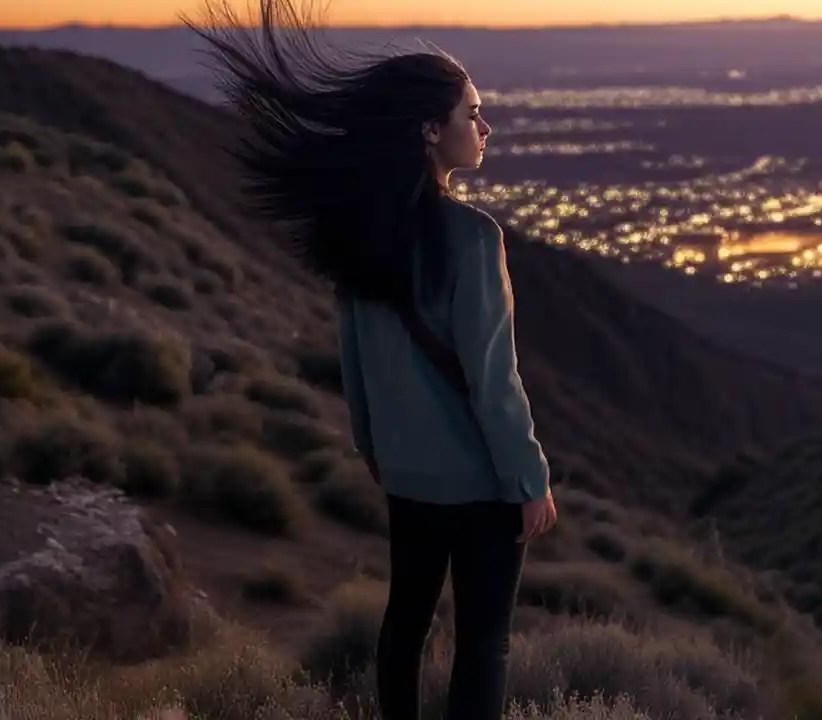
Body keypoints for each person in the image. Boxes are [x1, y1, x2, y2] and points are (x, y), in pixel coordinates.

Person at [185, 2, 558, 717]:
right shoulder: (473, 240)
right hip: (481, 484)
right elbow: (492, 381)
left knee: (404, 626)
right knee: (485, 644)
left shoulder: (359, 238)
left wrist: (376, 451)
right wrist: (528, 477)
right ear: (428, 130)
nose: (484, 128)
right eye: (471, 114)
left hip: (407, 477)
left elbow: (353, 364)